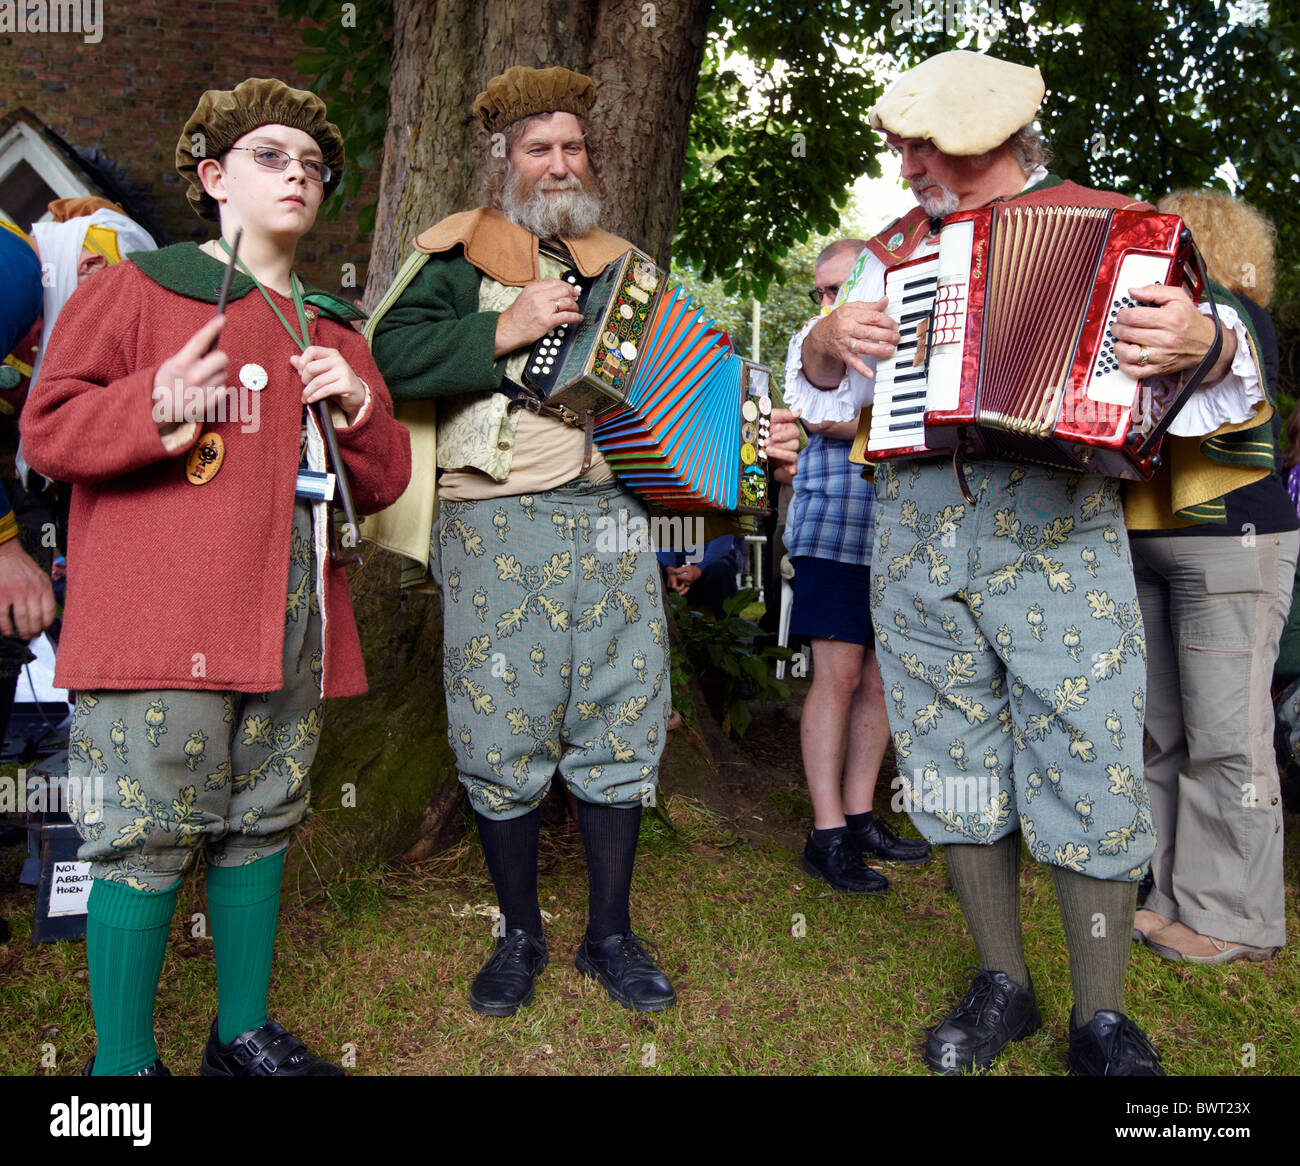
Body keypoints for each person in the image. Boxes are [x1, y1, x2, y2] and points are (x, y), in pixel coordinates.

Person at [793, 50, 1261, 1076]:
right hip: (914, 532)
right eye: (902, 144)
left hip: (1057, 529)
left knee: (1087, 758)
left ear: (985, 140)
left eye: (921, 145)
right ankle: (1001, 980)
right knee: (949, 761)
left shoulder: (1118, 228)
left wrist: (1202, 341)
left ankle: (1102, 1016)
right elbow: (822, 385)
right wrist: (829, 335)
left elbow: (1230, 361)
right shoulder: (891, 249)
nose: (904, 162)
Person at [368, 66, 800, 1017]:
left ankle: (609, 934)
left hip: (614, 521)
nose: (558, 164)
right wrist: (502, 330)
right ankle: (518, 933)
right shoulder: (455, 256)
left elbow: (694, 390)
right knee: (500, 721)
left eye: (572, 147)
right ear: (504, 163)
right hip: (492, 518)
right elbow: (385, 354)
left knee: (621, 715)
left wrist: (749, 457)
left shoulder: (627, 266)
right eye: (538, 149)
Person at [21, 78, 411, 1075]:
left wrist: (363, 408)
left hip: (291, 614)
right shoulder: (136, 291)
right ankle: (120, 1071)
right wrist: (157, 400)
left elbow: (386, 477)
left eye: (313, 165)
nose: (299, 176)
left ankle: (238, 1035)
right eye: (271, 157)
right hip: (163, 611)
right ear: (214, 178)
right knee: (142, 836)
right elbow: (49, 428)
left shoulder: (328, 327)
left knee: (262, 817)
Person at [1126, 190, 1297, 963]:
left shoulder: (1236, 318)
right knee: (1165, 736)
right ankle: (1171, 896)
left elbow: (1225, 359)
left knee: (1230, 739)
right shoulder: (1142, 324)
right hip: (1149, 539)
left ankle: (1235, 918)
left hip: (1233, 545)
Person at [783, 239, 930, 896]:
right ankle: (826, 834)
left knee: (881, 682)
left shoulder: (907, 338)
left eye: (841, 286)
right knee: (837, 678)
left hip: (898, 533)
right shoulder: (812, 342)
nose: (829, 301)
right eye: (821, 290)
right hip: (834, 528)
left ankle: (862, 814)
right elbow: (836, 420)